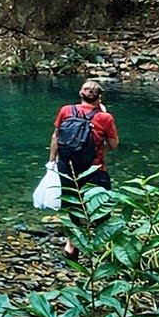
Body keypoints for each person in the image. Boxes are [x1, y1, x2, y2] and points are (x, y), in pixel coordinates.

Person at [48, 79, 118, 261]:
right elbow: (113, 145)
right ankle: (105, 250)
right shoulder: (105, 118)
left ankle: (71, 246)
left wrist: (52, 161)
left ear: (80, 94)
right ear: (100, 97)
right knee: (103, 205)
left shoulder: (66, 110)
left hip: (67, 167)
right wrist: (105, 115)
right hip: (95, 169)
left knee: (71, 205)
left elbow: (56, 136)